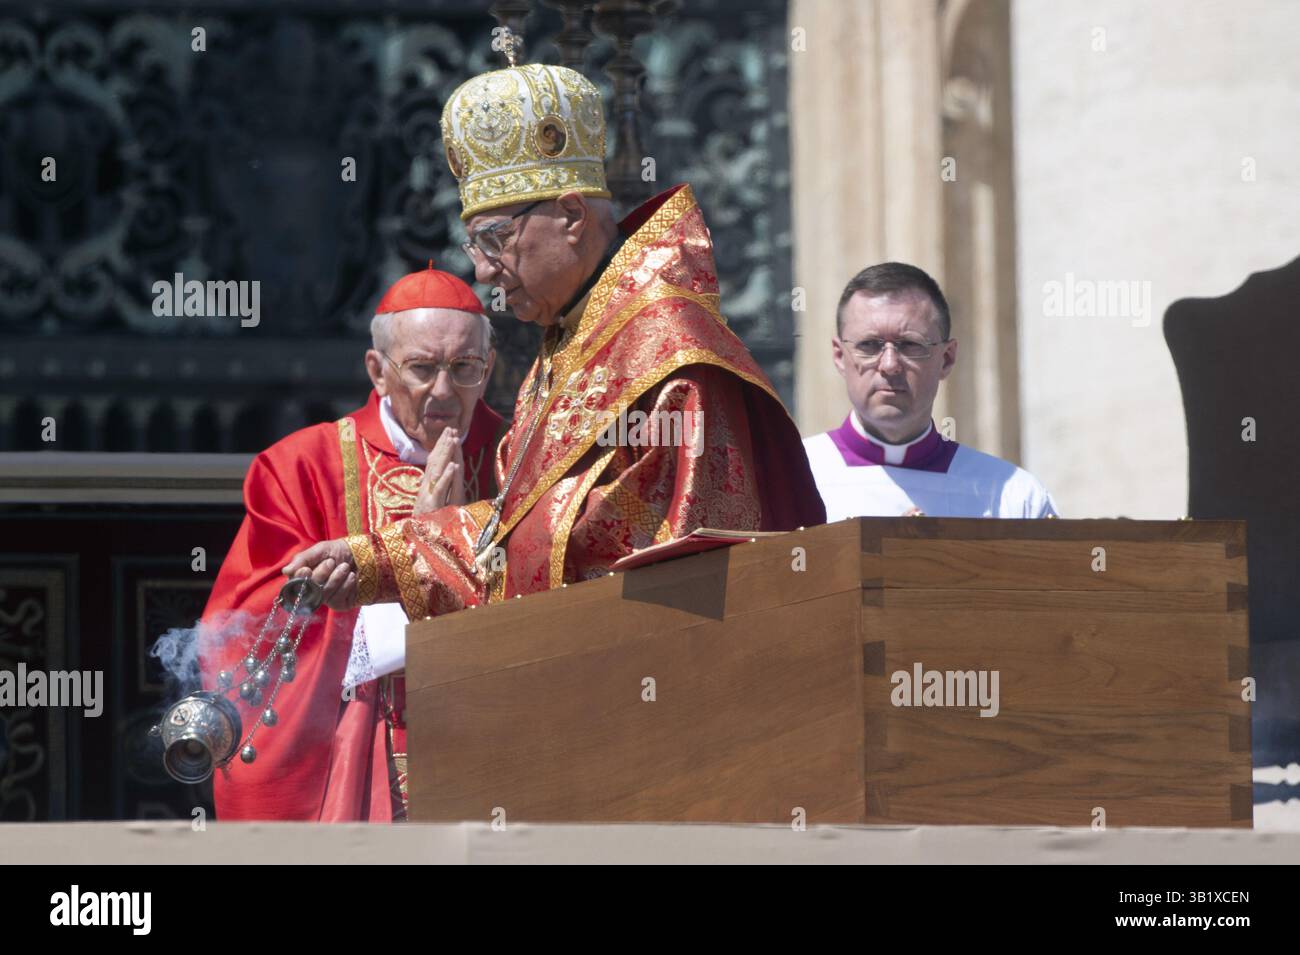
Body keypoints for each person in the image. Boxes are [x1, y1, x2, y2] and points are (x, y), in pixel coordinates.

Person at [282, 57, 823, 666]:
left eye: (496, 239)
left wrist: (413, 553)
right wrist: (386, 558)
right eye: (474, 245)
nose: (483, 270)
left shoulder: (672, 356)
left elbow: (646, 565)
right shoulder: (567, 342)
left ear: (569, 217)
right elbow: (525, 531)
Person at [198, 266, 505, 821]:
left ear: (489, 370)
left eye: (465, 368)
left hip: (494, 748)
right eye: (422, 368)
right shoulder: (299, 466)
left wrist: (441, 544)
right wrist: (378, 584)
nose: (443, 391)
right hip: (359, 763)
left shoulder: (518, 459)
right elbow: (244, 636)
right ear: (378, 371)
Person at [803, 262, 1057, 519]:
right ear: (839, 356)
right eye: (869, 345)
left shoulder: (1013, 496)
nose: (889, 365)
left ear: (946, 359)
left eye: (910, 345)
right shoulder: (790, 479)